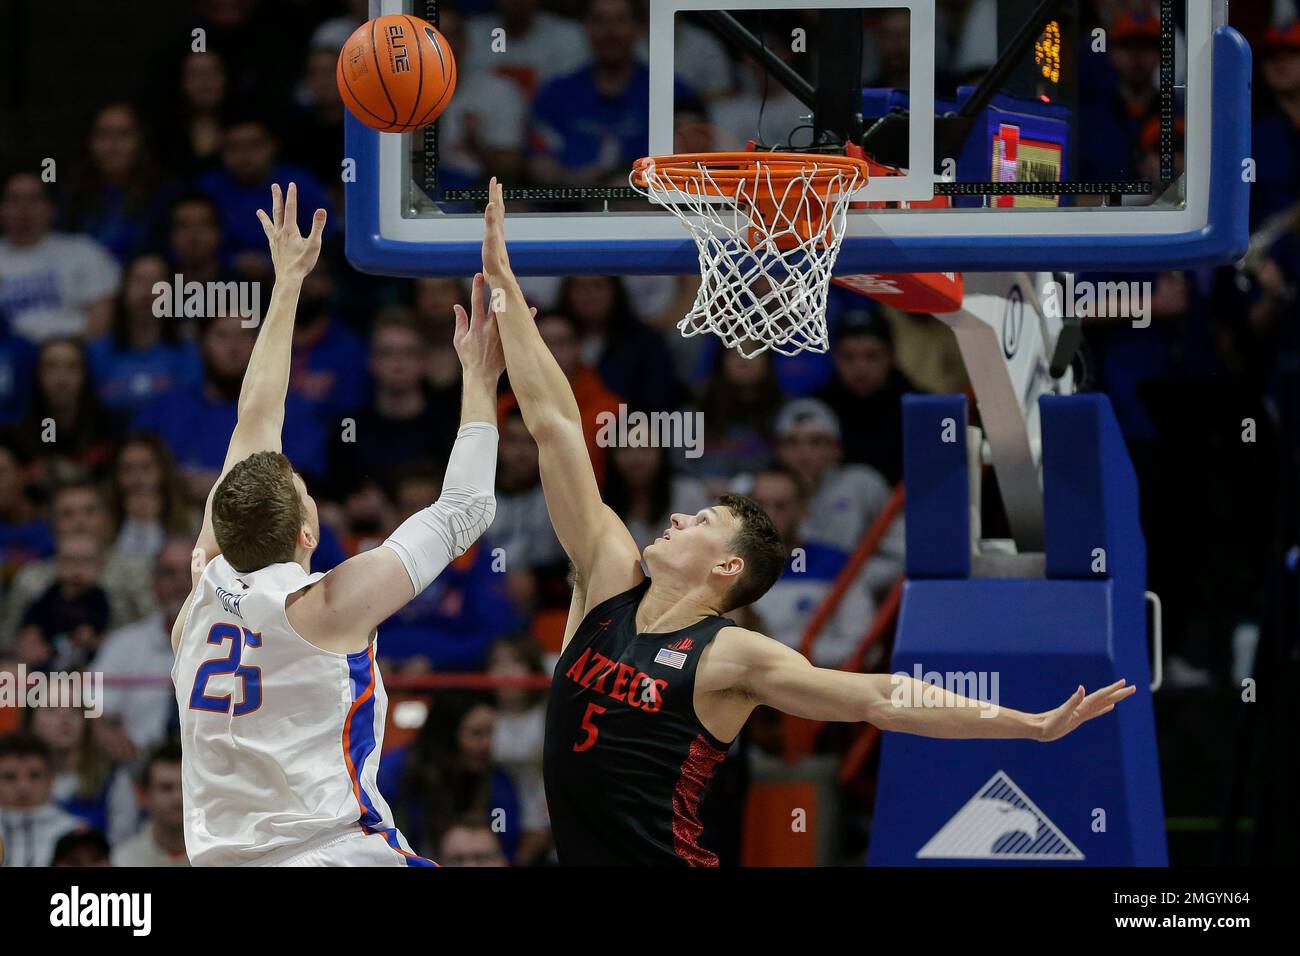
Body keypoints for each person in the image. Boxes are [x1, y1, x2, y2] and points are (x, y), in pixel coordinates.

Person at [478, 177, 1137, 865]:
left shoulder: (731, 655)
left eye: (702, 518)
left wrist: (1028, 726)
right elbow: (555, 426)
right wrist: (504, 284)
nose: (677, 514)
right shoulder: (608, 578)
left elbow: (881, 698)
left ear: (727, 568)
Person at [171, 183, 502, 866]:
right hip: (332, 854)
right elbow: (467, 509)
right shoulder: (330, 605)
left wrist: (287, 282)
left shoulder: (199, 596)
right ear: (306, 534)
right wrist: (478, 378)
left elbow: (255, 421)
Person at [0, 732, 84, 867]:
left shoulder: (74, 833)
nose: (23, 786)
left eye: (34, 775)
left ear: (51, 779)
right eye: (10, 777)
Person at [111, 743, 189, 867]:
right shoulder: (123, 861)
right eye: (166, 788)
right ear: (144, 796)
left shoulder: (219, 854)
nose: (178, 797)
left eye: (185, 787)